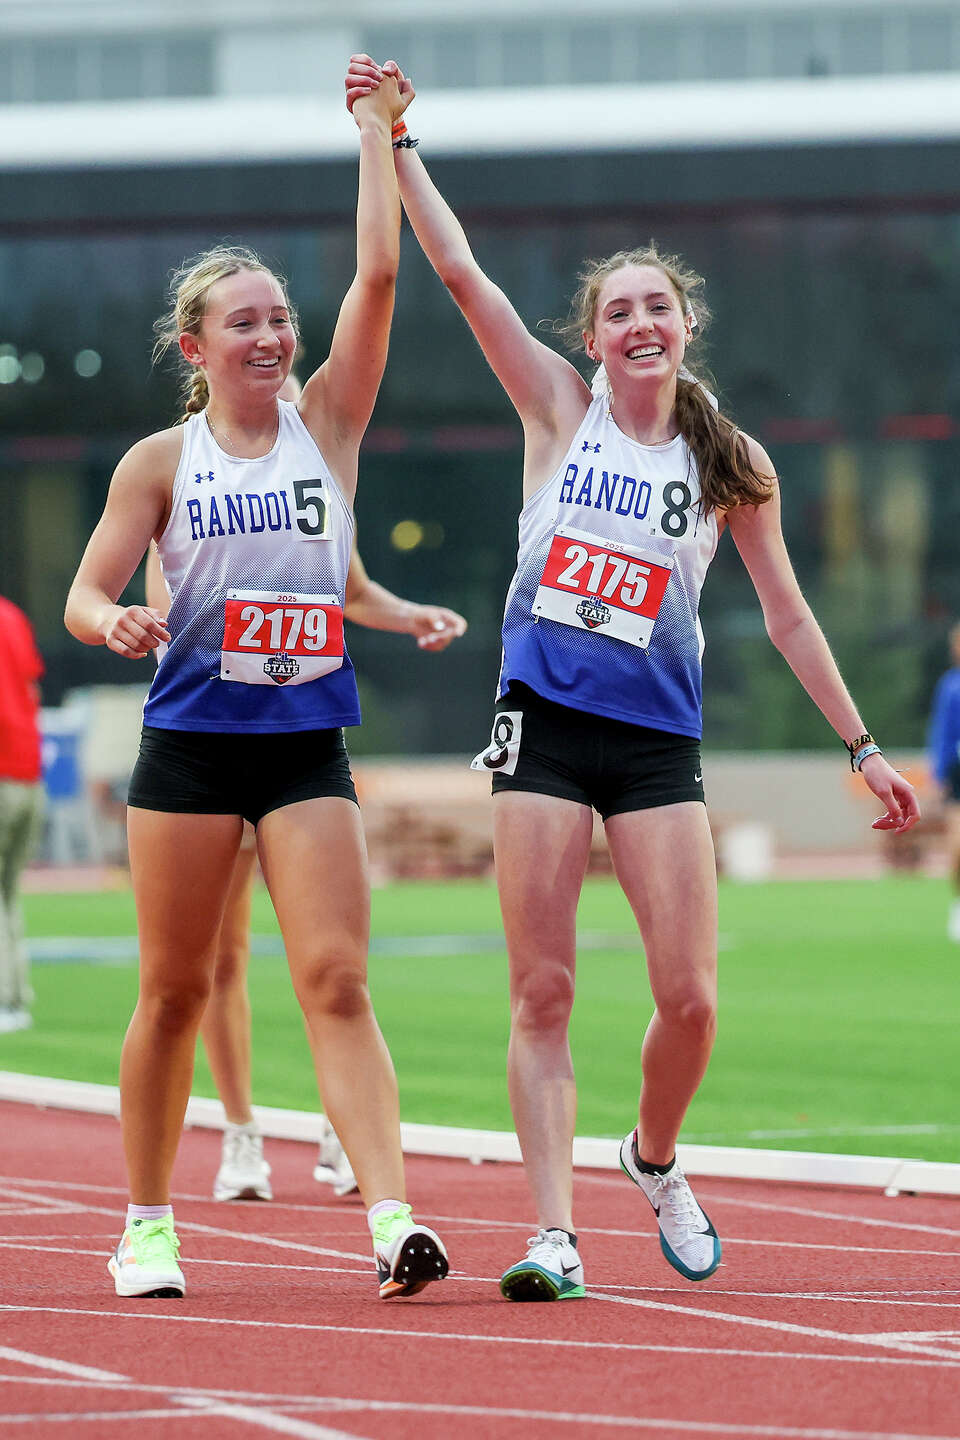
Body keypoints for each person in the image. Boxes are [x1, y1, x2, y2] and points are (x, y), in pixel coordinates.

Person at [346, 56, 920, 1302]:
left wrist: (865, 748)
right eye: (618, 313)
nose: (640, 326)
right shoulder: (557, 410)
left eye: (658, 307)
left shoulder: (731, 458)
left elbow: (788, 613)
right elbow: (457, 274)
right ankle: (554, 1233)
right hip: (542, 724)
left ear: (686, 324)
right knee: (541, 986)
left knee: (693, 1002)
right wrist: (396, 140)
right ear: (592, 337)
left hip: (659, 742)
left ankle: (653, 1155)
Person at [64, 69, 450, 1303]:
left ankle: (393, 1219)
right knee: (174, 991)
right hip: (187, 749)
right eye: (246, 323)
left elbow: (378, 280)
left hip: (303, 748)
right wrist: (116, 619)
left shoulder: (325, 423)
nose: (273, 335)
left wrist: (376, 138)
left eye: (280, 316)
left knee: (336, 978)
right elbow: (83, 594)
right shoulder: (157, 460)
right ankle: (145, 1225)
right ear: (196, 347)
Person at [144, 523, 467, 1204]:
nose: (287, 407)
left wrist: (410, 617)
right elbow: (168, 624)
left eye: (295, 402)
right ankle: (240, 1133)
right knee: (217, 960)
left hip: (301, 748)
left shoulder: (314, 487)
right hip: (211, 744)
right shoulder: (182, 491)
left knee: (333, 967)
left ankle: (338, 1132)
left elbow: (354, 592)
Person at [0, 595, 44, 1033]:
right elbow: (30, 691)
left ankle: (5, 999)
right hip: (26, 772)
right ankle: (14, 994)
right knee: (8, 895)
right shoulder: (12, 615)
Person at [928, 622, 960, 940]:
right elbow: (942, 733)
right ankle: (958, 905)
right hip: (958, 772)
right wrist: (939, 775)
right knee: (957, 846)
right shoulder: (951, 686)